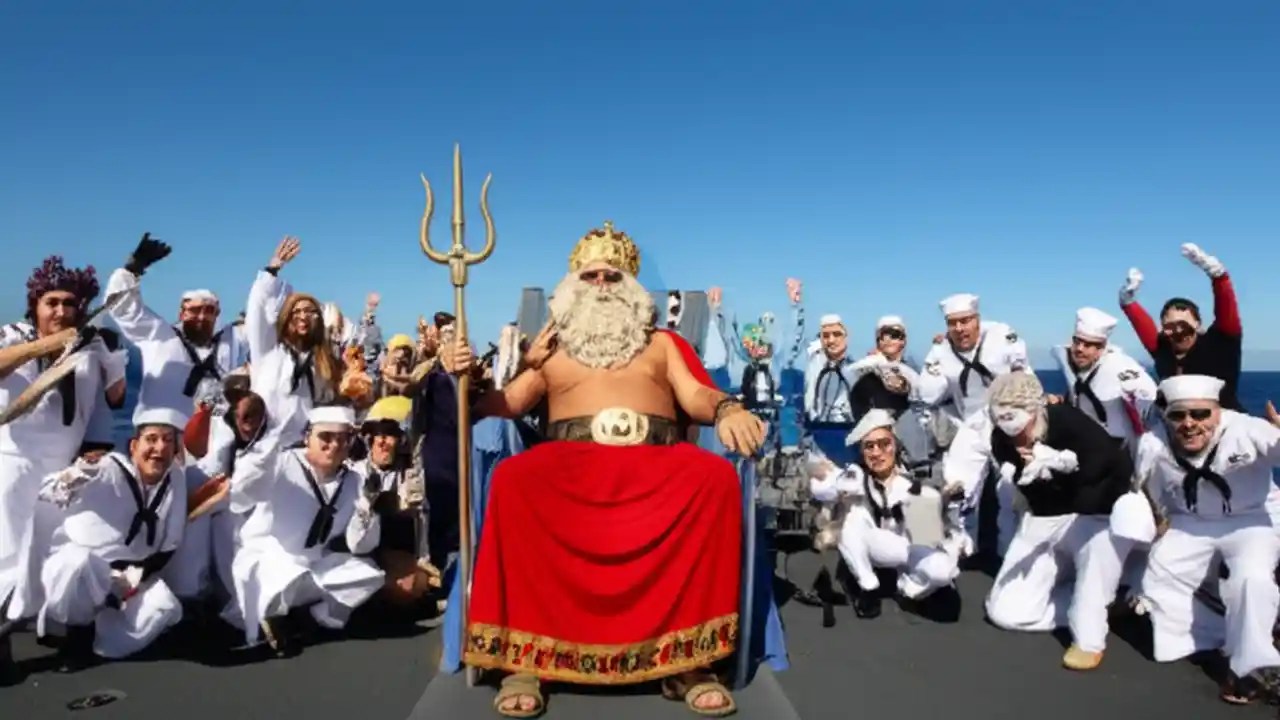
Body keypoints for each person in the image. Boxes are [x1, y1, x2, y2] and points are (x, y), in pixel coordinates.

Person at [452, 221, 765, 718]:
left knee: (714, 478)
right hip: (567, 463)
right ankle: (527, 661)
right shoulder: (550, 348)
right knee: (513, 480)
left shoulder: (662, 343)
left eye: (612, 277)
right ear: (573, 284)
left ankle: (688, 663)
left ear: (632, 287)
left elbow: (694, 396)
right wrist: (465, 373)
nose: (601, 284)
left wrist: (728, 408)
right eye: (592, 276)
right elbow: (504, 404)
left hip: (657, 460)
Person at [0, 255, 122, 670]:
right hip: (12, 461)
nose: (60, 311)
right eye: (51, 302)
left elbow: (110, 402)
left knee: (56, 551)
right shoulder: (12, 334)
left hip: (61, 467)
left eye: (69, 303)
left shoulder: (91, 345)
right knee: (7, 554)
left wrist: (98, 450)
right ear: (35, 303)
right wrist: (46, 345)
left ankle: (58, 623)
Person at [977, 373, 1140, 672]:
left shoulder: (1067, 421)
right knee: (1004, 611)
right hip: (1046, 514)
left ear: (1036, 412)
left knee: (1094, 563)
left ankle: (1090, 638)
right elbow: (1031, 491)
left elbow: (1108, 464)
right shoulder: (1001, 440)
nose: (1016, 438)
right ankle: (1104, 603)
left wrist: (1062, 465)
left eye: (1021, 427)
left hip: (1095, 513)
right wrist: (1029, 472)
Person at [1135, 375, 1280, 704]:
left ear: (1218, 412)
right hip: (1192, 521)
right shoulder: (1153, 442)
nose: (1189, 424)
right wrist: (1157, 521)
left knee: (1251, 580)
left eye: (1200, 414)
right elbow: (1144, 485)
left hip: (1248, 519)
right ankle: (1215, 636)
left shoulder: (1247, 429)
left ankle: (1253, 667)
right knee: (1160, 571)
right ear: (1168, 417)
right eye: (1179, 415)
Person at [35, 408, 189, 670]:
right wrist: (78, 473)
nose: (160, 448)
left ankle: (101, 637)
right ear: (133, 445)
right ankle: (74, 634)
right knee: (76, 564)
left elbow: (170, 543)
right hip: (88, 568)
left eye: (168, 440)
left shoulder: (175, 478)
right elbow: (48, 491)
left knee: (164, 609)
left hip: (128, 575)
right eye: (151, 439)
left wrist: (136, 578)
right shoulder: (106, 468)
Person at [229, 405, 383, 657]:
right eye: (326, 437)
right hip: (269, 560)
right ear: (307, 437)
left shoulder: (354, 481)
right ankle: (273, 617)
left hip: (314, 562)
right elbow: (241, 496)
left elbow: (361, 546)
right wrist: (262, 454)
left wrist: (367, 506)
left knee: (368, 575)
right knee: (282, 582)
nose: (334, 445)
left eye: (343, 439)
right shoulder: (282, 463)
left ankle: (310, 618)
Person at [808, 409, 964, 620]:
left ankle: (910, 589)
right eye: (869, 447)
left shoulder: (912, 477)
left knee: (942, 570)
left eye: (884, 444)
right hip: (873, 545)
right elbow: (825, 486)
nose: (877, 453)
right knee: (851, 521)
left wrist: (943, 499)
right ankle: (867, 586)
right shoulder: (857, 476)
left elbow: (932, 523)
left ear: (896, 445)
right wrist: (828, 479)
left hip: (905, 544)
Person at [104, 234, 246, 423]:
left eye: (209, 310)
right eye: (194, 310)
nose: (202, 316)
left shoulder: (229, 340)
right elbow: (123, 309)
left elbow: (266, 326)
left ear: (217, 314)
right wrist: (131, 270)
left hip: (212, 440)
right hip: (162, 437)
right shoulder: (159, 335)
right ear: (182, 314)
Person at [1118, 243, 1243, 410]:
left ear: (1198, 324)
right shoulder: (1164, 349)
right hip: (1179, 424)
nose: (1178, 332)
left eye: (1183, 325)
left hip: (1223, 421)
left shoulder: (1219, 344)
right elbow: (1142, 325)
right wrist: (1127, 300)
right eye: (1170, 326)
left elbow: (1227, 313)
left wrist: (1218, 276)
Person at [243, 236, 343, 445]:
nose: (303, 316)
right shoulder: (269, 349)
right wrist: (272, 270)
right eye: (296, 311)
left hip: (303, 449)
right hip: (263, 444)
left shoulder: (323, 360)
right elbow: (258, 311)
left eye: (310, 311)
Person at [1053, 307, 1158, 451]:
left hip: (1119, 451)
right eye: (1077, 342)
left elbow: (1147, 397)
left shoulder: (1120, 367)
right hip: (1086, 444)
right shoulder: (1073, 362)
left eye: (1087, 345)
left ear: (1101, 349)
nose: (1079, 349)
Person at [847, 316, 921, 421]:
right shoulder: (865, 365)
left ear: (903, 340)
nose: (888, 339)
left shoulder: (913, 369)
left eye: (894, 335)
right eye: (883, 335)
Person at [804, 313, 859, 423]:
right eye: (826, 336)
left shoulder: (855, 370)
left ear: (846, 338)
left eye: (837, 334)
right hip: (817, 429)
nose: (831, 340)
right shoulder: (813, 367)